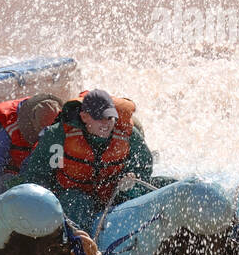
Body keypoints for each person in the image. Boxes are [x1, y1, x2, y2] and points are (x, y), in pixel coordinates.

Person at [14, 88, 153, 232]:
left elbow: (144, 165)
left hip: (113, 194)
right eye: (99, 118)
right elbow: (38, 173)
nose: (106, 124)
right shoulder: (59, 134)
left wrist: (133, 178)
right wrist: (49, 204)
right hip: (73, 198)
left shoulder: (127, 134)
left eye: (109, 118)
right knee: (77, 201)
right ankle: (82, 247)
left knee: (163, 184)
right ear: (85, 117)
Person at [0, 93, 62, 203]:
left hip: (35, 178)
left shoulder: (60, 131)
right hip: (8, 180)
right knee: (4, 182)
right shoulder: (5, 131)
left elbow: (56, 170)